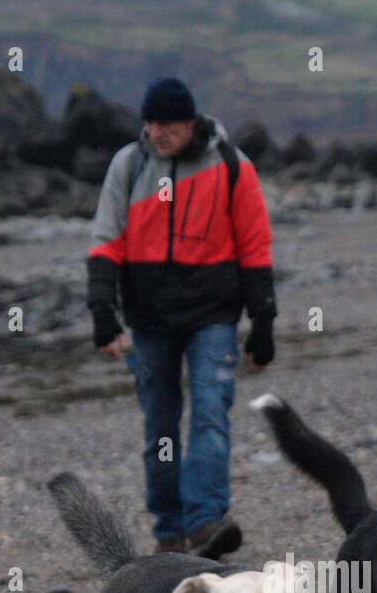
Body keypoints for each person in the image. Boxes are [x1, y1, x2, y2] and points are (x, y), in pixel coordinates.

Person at [87, 77, 276, 557]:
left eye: (166, 123)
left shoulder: (233, 167)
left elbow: (254, 247)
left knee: (211, 413)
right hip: (149, 320)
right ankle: (169, 529)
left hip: (211, 316)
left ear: (190, 122)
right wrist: (102, 311)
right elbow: (106, 239)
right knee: (161, 427)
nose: (156, 132)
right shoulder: (129, 166)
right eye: (149, 122)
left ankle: (205, 522)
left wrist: (263, 323)